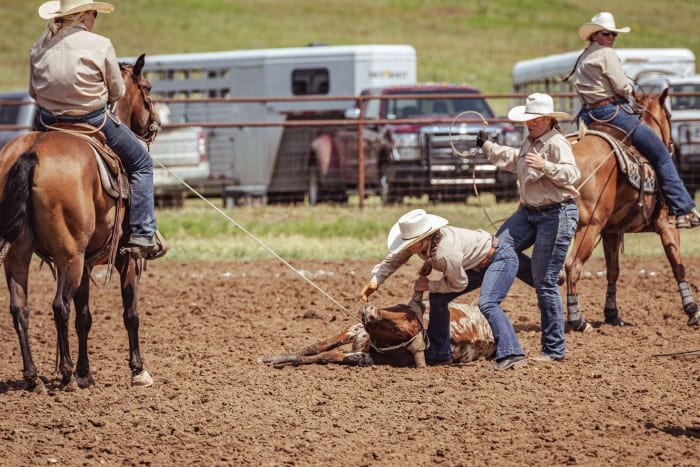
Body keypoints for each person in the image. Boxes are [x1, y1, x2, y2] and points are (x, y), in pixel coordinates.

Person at [30, 0, 164, 258]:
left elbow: (32, 92)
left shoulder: (39, 46)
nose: (94, 19)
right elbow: (118, 91)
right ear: (84, 15)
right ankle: (142, 231)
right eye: (94, 14)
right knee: (142, 163)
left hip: (46, 123)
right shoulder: (100, 44)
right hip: (91, 120)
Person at [572, 11, 700, 229]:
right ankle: (682, 208)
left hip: (586, 116)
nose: (611, 37)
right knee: (660, 153)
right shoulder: (606, 54)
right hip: (610, 113)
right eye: (607, 33)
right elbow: (622, 86)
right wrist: (629, 90)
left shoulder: (584, 56)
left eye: (614, 34)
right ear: (595, 35)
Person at [476, 93, 579, 362]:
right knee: (497, 248)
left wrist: (545, 166)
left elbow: (572, 175)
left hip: (556, 213)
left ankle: (554, 350)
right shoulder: (531, 141)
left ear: (547, 119)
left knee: (544, 283)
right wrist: (488, 146)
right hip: (531, 213)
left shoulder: (557, 144)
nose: (529, 123)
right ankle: (544, 273)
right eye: (528, 119)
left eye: (533, 120)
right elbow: (514, 160)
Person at [360, 209, 527, 370]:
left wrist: (430, 285)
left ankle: (512, 353)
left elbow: (459, 283)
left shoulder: (445, 253)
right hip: (479, 262)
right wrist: (376, 280)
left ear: (424, 238)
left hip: (500, 259)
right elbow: (396, 258)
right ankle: (439, 354)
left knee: (488, 303)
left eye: (411, 243)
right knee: (438, 299)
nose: (408, 247)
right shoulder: (426, 244)